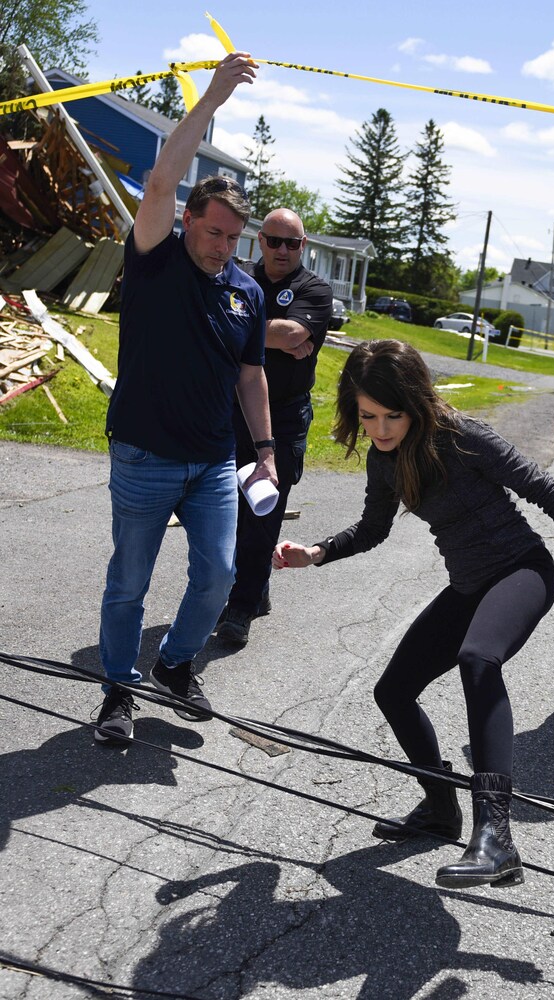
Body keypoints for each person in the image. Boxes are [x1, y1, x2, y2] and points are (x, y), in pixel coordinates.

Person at [272, 340, 554, 888]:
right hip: (469, 584)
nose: (379, 428)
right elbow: (374, 529)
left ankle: (496, 838)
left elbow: (540, 488)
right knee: (393, 690)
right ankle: (440, 807)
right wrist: (319, 551)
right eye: (368, 415)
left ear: (416, 402)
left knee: (478, 658)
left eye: (391, 415)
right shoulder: (384, 459)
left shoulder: (461, 436)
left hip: (522, 571)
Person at [94, 52, 276, 746]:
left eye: (235, 238)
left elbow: (250, 375)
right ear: (187, 220)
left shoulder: (247, 291)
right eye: (214, 232)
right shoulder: (155, 256)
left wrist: (263, 453)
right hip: (143, 454)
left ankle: (173, 665)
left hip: (211, 462)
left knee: (219, 576)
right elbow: (165, 173)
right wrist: (212, 100)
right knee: (128, 583)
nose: (224, 247)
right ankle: (117, 689)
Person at [216, 208, 333, 646]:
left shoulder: (314, 290)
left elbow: (290, 333)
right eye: (274, 240)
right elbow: (278, 335)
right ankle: (254, 587)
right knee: (225, 509)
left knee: (263, 509)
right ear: (258, 240)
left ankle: (241, 606)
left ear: (304, 247)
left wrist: (234, 325)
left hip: (283, 418)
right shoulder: (235, 272)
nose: (283, 250)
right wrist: (276, 336)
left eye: (293, 243)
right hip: (231, 411)